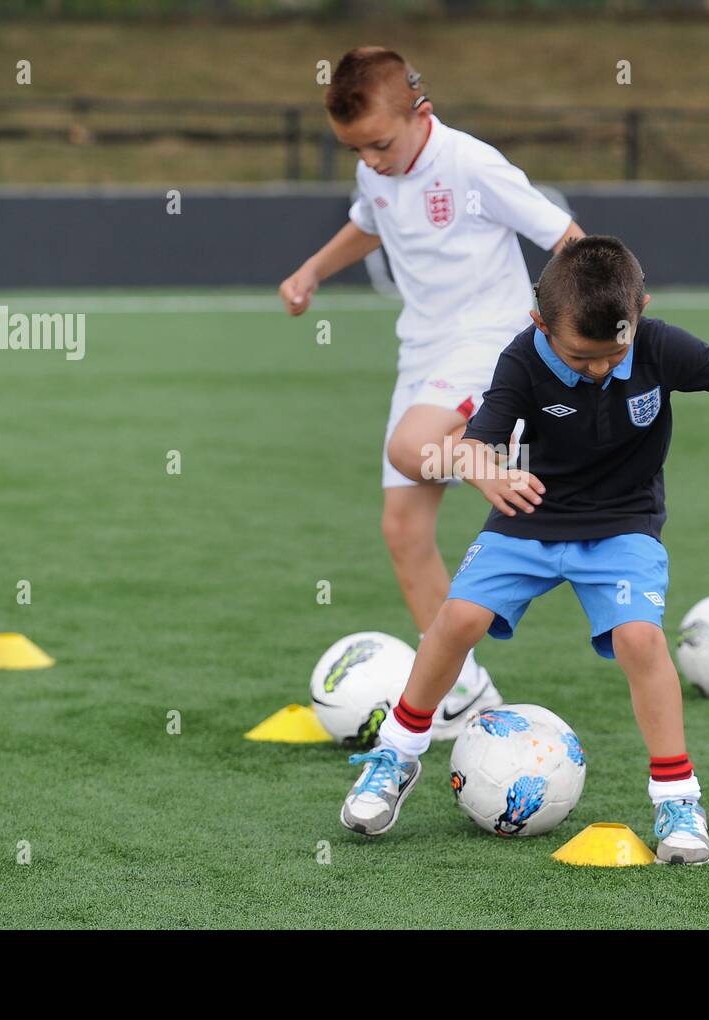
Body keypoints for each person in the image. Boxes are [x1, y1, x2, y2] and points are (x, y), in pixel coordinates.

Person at [339, 236, 709, 864]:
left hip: (623, 526)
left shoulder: (658, 344)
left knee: (641, 640)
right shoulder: (521, 358)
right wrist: (485, 472)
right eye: (579, 357)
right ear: (540, 323)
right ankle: (395, 756)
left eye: (611, 352)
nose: (597, 368)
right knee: (457, 619)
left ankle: (678, 797)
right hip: (529, 516)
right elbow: (477, 440)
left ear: (639, 311)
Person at [280, 47, 585, 737]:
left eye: (380, 144)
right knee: (404, 530)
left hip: (490, 343)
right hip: (421, 352)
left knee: (414, 446)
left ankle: (482, 461)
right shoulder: (376, 167)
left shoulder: (472, 165)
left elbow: (563, 237)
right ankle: (468, 692)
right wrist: (312, 271)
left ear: (421, 113)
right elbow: (368, 220)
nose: (373, 160)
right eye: (356, 150)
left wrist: (606, 312)